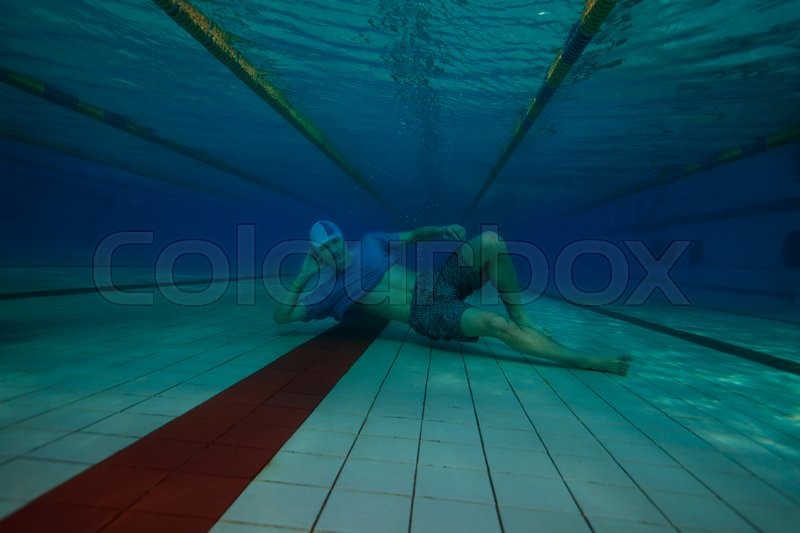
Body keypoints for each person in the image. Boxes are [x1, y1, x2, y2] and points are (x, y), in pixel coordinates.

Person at [273, 221, 632, 375]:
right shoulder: (328, 291)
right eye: (324, 249)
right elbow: (283, 318)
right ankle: (583, 360)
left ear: (340, 237)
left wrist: (441, 229)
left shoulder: (369, 241)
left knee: (490, 241)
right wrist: (303, 277)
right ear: (317, 254)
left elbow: (415, 234)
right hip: (427, 311)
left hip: (436, 282)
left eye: (334, 242)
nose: (333, 250)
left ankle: (524, 317)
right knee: (495, 324)